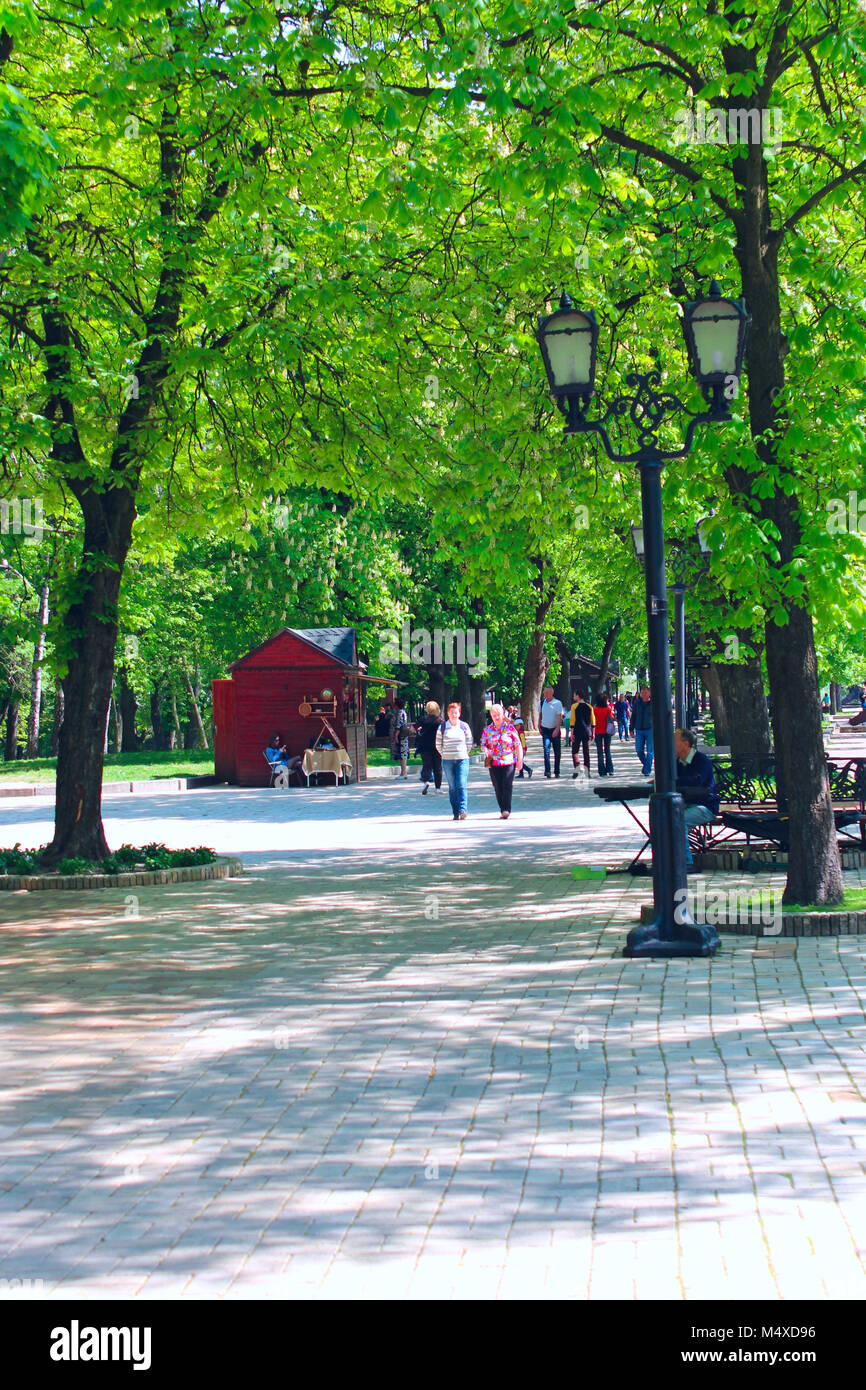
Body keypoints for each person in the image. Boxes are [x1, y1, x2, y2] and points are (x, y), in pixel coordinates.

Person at [675, 727, 719, 868]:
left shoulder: (701, 760)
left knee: (678, 822)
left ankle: (686, 863)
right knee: (662, 817)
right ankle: (667, 859)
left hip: (705, 806)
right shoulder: (678, 762)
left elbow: (697, 783)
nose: (671, 743)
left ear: (686, 744)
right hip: (686, 804)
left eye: (674, 741)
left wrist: (673, 780)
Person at [480, 704, 523, 818]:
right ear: (491, 716)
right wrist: (485, 749)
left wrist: (520, 760)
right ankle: (502, 808)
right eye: (494, 715)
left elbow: (518, 745)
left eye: (498, 714)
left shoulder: (510, 728)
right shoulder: (488, 730)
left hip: (508, 761)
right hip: (494, 762)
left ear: (503, 714)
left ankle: (506, 809)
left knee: (507, 785)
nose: (496, 717)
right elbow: (483, 744)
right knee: (497, 786)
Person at [436, 701, 473, 820]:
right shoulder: (442, 727)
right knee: (452, 787)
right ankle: (455, 812)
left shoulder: (464, 726)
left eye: (456, 712)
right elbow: (438, 744)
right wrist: (444, 754)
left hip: (462, 759)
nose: (454, 715)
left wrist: (464, 752)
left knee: (461, 784)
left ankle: (463, 809)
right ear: (448, 714)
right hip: (447, 761)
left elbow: (469, 741)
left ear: (459, 713)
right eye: (451, 712)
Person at [415, 700, 443, 794]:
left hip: (424, 746)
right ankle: (438, 788)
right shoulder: (440, 720)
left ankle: (426, 781)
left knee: (427, 765)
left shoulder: (423, 719)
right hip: (437, 746)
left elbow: (413, 728)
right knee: (437, 767)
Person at [539, 685, 563, 778]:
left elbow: (559, 717)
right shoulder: (542, 702)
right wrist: (539, 725)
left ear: (552, 693)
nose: (546, 694)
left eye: (547, 693)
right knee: (546, 750)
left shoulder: (557, 703)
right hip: (545, 729)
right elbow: (540, 714)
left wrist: (557, 729)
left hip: (554, 729)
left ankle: (557, 771)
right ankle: (547, 770)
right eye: (545, 693)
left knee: (557, 752)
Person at [569, 692, 594, 778]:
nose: (573, 696)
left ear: (578, 696)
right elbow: (593, 720)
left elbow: (572, 720)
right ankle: (588, 772)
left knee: (575, 751)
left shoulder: (574, 706)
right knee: (586, 752)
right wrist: (592, 732)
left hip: (577, 730)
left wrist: (571, 732)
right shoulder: (589, 706)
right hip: (587, 731)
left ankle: (577, 768)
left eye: (574, 695)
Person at [630, 685, 653, 776]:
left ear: (649, 693)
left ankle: (647, 770)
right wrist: (631, 728)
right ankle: (647, 766)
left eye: (645, 692)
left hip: (650, 729)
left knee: (650, 751)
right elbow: (633, 716)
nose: (643, 694)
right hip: (639, 729)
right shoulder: (637, 703)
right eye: (642, 692)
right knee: (639, 750)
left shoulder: (653, 704)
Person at [591, 692, 615, 776]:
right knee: (607, 750)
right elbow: (612, 718)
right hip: (607, 731)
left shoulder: (595, 709)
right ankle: (610, 769)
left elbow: (592, 720)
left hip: (598, 731)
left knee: (600, 752)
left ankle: (601, 771)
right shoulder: (608, 709)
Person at [389, 697, 411, 778]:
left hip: (401, 736)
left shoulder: (400, 713)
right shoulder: (403, 712)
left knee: (402, 754)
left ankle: (403, 772)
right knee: (403, 753)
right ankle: (403, 772)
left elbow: (399, 725)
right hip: (404, 736)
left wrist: (396, 735)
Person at [509, 705, 533, 778]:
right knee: (519, 761)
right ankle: (521, 773)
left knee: (519, 761)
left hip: (522, 748)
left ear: (521, 725)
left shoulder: (521, 733)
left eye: (517, 726)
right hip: (519, 748)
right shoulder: (518, 732)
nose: (516, 727)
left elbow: (523, 741)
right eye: (515, 726)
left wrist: (524, 748)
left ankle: (528, 770)